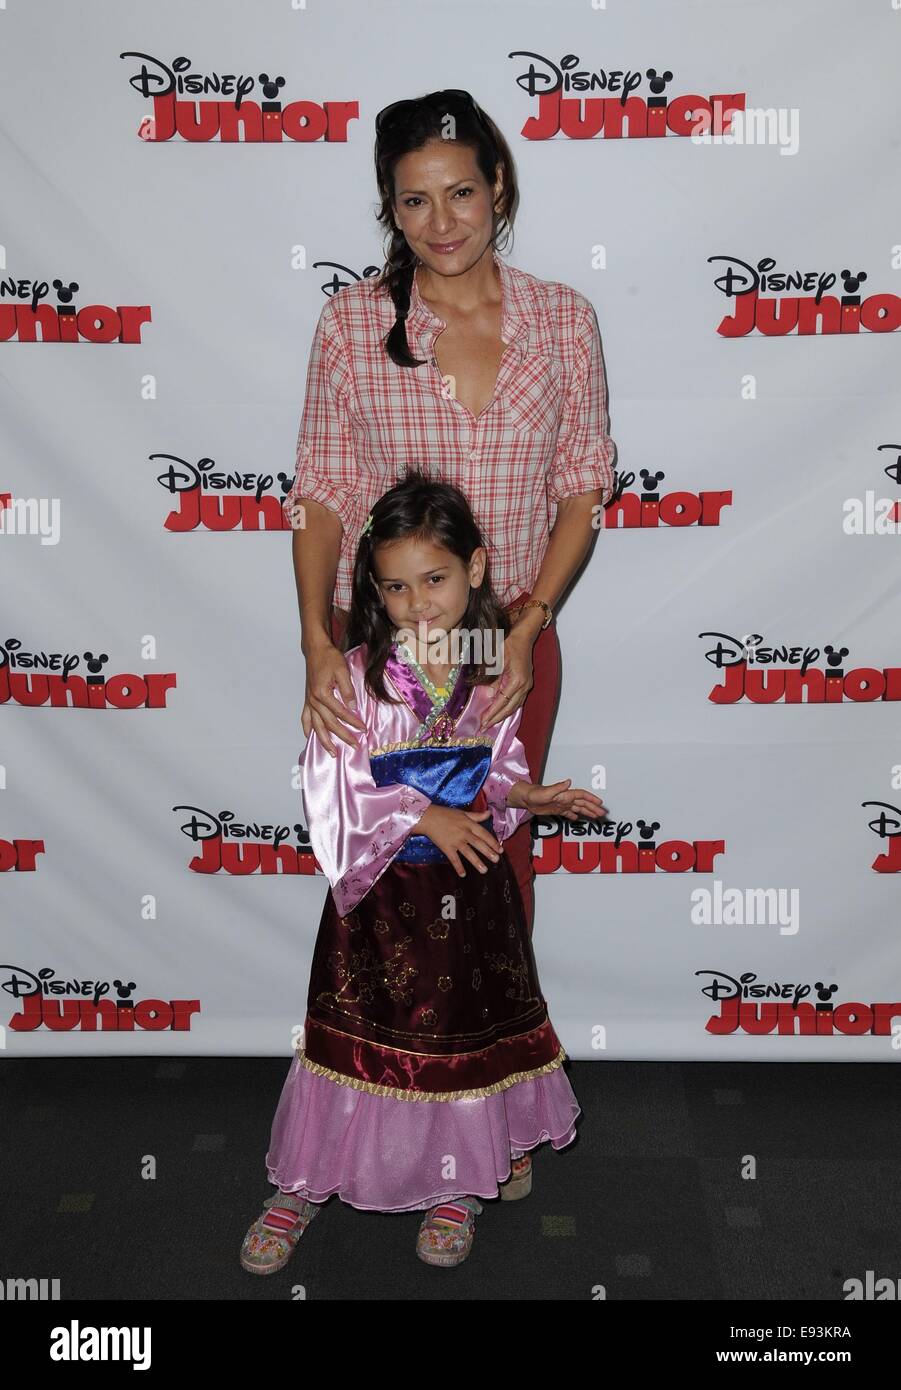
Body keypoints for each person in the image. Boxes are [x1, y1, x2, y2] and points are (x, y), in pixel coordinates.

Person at [241, 473, 607, 1272]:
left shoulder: (490, 671)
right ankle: (300, 1183)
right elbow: (329, 781)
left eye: (434, 579)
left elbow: (495, 769)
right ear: (373, 589)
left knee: (457, 1041)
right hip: (383, 897)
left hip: (470, 898)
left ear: (477, 569)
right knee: (360, 1040)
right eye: (396, 586)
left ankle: (456, 1184)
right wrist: (418, 815)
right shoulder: (354, 677)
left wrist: (529, 793)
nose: (417, 603)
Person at [284, 88, 616, 943]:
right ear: (389, 207)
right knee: (386, 854)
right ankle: (379, 1072)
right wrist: (319, 645)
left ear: (496, 185)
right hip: (381, 636)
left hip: (504, 633)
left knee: (500, 849)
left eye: (460, 192)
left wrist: (527, 624)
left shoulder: (564, 322)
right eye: (413, 199)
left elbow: (581, 489)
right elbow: (320, 493)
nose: (440, 222)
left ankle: (497, 1072)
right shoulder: (351, 323)